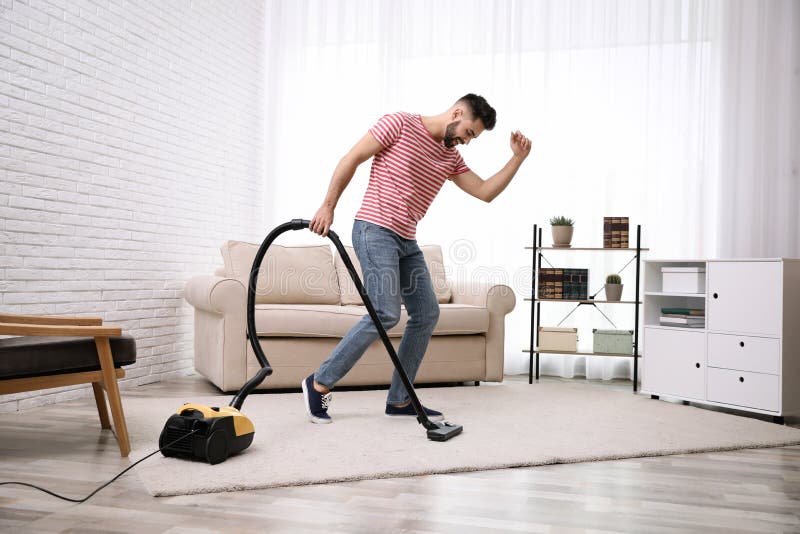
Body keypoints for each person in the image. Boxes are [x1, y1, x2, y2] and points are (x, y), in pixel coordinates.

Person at [302, 93, 532, 424]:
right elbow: (352, 158)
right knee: (385, 312)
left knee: (426, 313)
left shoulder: (450, 158)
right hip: (374, 229)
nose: (467, 141)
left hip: (406, 240)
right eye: (469, 132)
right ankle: (319, 383)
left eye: (473, 138)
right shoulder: (399, 124)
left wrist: (517, 159)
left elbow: (484, 192)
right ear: (457, 113)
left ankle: (400, 400)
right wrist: (328, 205)